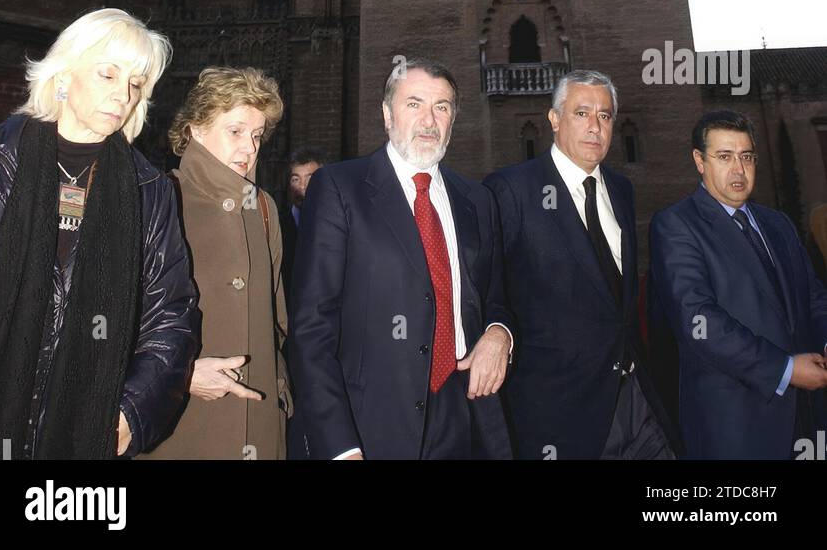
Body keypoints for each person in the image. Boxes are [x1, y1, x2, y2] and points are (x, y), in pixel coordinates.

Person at [0, 8, 198, 460]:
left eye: (136, 84)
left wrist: (131, 413)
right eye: (108, 74)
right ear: (63, 74)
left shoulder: (149, 190)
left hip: (82, 438)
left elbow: (171, 314)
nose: (124, 95)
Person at [289, 56, 513, 460]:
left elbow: (496, 295)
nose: (429, 120)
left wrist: (499, 334)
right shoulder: (340, 189)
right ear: (387, 114)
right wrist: (340, 446)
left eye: (441, 107)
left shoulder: (477, 200)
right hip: (372, 425)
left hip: (465, 414)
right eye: (415, 104)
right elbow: (312, 328)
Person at [485, 69, 677, 460]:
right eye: (581, 113)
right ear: (554, 120)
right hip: (563, 416)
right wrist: (497, 331)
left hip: (637, 403)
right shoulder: (511, 190)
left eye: (605, 116)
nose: (595, 127)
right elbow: (489, 289)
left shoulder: (622, 191)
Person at [650, 109, 827, 460]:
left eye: (746, 157)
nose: (738, 169)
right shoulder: (675, 225)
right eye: (724, 156)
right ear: (699, 161)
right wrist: (786, 370)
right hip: (737, 426)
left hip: (808, 418)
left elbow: (813, 298)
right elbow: (698, 322)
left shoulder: (778, 224)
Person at [140, 66, 291, 460]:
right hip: (178, 424)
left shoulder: (263, 208)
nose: (250, 147)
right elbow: (113, 325)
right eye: (236, 131)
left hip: (259, 427)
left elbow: (276, 323)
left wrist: (279, 395)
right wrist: (182, 375)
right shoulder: (156, 199)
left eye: (257, 135)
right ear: (195, 129)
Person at [280, 147, 325, 305]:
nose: (302, 186)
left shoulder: (340, 227)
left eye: (310, 179)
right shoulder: (276, 229)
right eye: (295, 179)